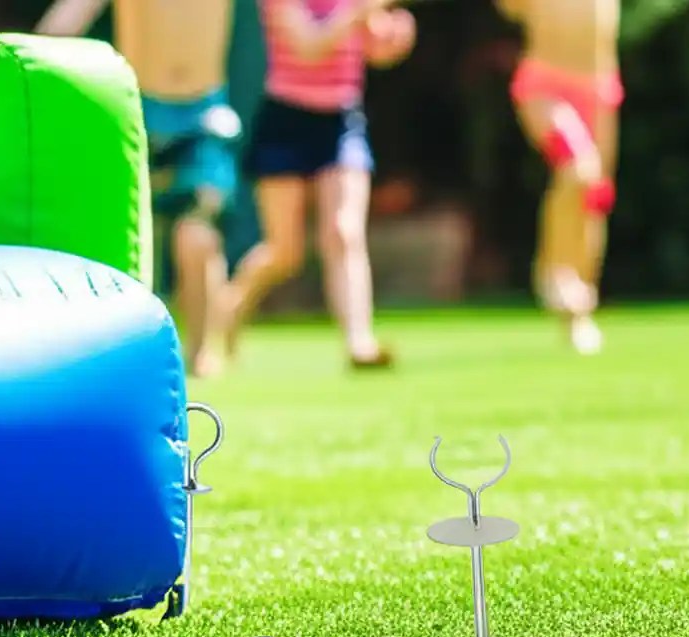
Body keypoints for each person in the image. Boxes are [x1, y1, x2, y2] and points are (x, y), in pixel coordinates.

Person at [35, 0, 239, 378]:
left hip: (203, 113)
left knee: (196, 237)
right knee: (125, 241)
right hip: (138, 107)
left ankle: (202, 351)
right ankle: (118, 348)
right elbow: (66, 21)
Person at [223, 0, 415, 370]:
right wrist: (358, 14)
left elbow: (373, 51)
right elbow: (307, 47)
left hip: (341, 121)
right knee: (284, 252)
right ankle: (231, 307)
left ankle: (359, 342)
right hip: (285, 120)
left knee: (344, 233)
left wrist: (392, 39)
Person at [498, 0, 621, 355]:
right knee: (578, 169)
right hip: (546, 85)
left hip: (599, 88)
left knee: (595, 198)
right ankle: (552, 272)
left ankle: (579, 307)